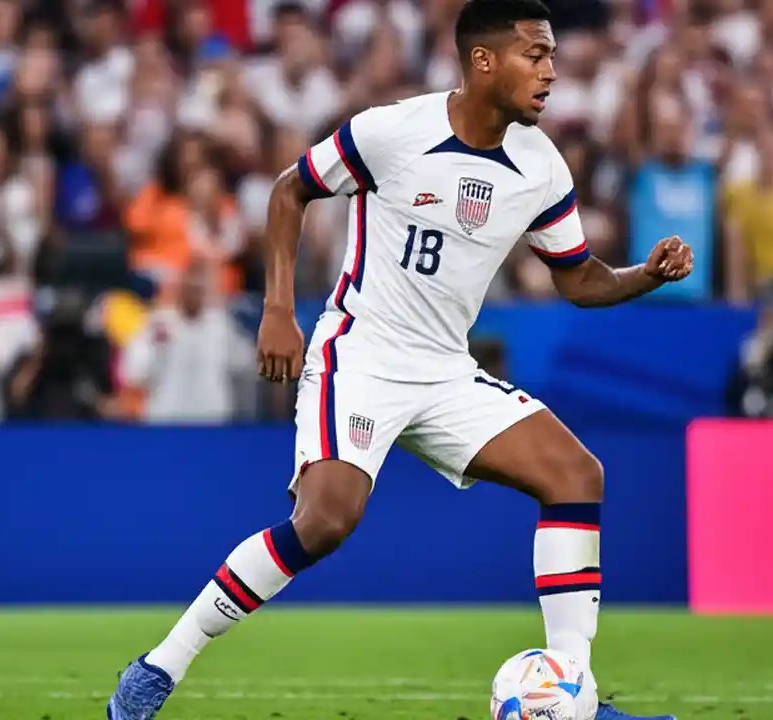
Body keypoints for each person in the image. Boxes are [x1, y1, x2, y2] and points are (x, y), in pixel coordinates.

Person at [106, 3, 692, 720]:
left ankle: (574, 692)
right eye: (535, 55)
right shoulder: (392, 131)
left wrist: (645, 276)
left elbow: (578, 279)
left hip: (445, 370)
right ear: (485, 62)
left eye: (552, 56)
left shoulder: (541, 166)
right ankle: (157, 669)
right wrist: (278, 310)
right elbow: (290, 189)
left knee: (576, 476)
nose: (550, 72)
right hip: (361, 354)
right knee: (325, 522)